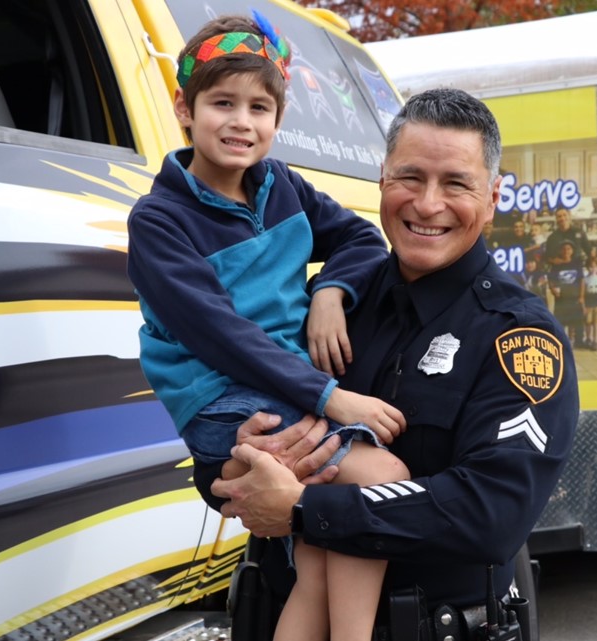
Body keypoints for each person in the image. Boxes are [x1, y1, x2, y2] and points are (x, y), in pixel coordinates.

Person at [205, 87, 579, 632]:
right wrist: (243, 458)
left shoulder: (518, 335)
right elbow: (217, 436)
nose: (428, 204)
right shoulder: (318, 307)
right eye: (410, 177)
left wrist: (305, 511)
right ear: (381, 179)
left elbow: (492, 511)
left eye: (456, 183)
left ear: (494, 196)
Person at [126, 14, 410, 641]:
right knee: (384, 482)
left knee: (314, 557)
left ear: (278, 121)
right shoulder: (159, 220)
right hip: (225, 394)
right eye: (222, 102)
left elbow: (361, 238)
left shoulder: (282, 185)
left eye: (259, 107)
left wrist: (330, 292)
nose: (241, 121)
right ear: (184, 107)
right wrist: (334, 395)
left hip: (277, 385)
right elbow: (220, 335)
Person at [548, 240, 586, 348]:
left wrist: (582, 297)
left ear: (572, 251)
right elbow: (550, 280)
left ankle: (579, 342)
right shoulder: (556, 265)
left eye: (568, 249)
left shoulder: (577, 264)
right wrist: (553, 290)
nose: (566, 251)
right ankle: (561, 342)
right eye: (564, 249)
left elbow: (582, 281)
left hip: (575, 297)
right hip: (562, 299)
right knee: (560, 322)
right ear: (560, 251)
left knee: (578, 321)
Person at [583, 251, 597, 351]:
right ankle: (588, 338)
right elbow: (583, 291)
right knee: (588, 322)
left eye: (595, 266)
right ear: (587, 268)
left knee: (596, 323)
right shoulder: (586, 279)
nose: (593, 269)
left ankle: (595, 340)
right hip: (589, 301)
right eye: (591, 267)